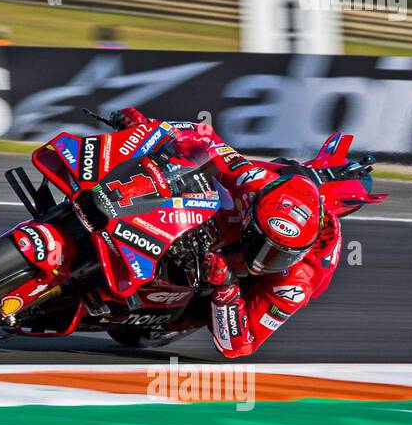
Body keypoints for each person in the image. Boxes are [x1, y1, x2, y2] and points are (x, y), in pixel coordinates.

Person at [106, 106, 346, 358]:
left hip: (248, 284)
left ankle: (175, 314)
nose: (260, 260)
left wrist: (226, 289)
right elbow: (206, 138)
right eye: (261, 245)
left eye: (276, 256)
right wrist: (146, 126)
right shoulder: (251, 181)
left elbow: (240, 347)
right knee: (188, 167)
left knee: (200, 307)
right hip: (261, 200)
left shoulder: (297, 283)